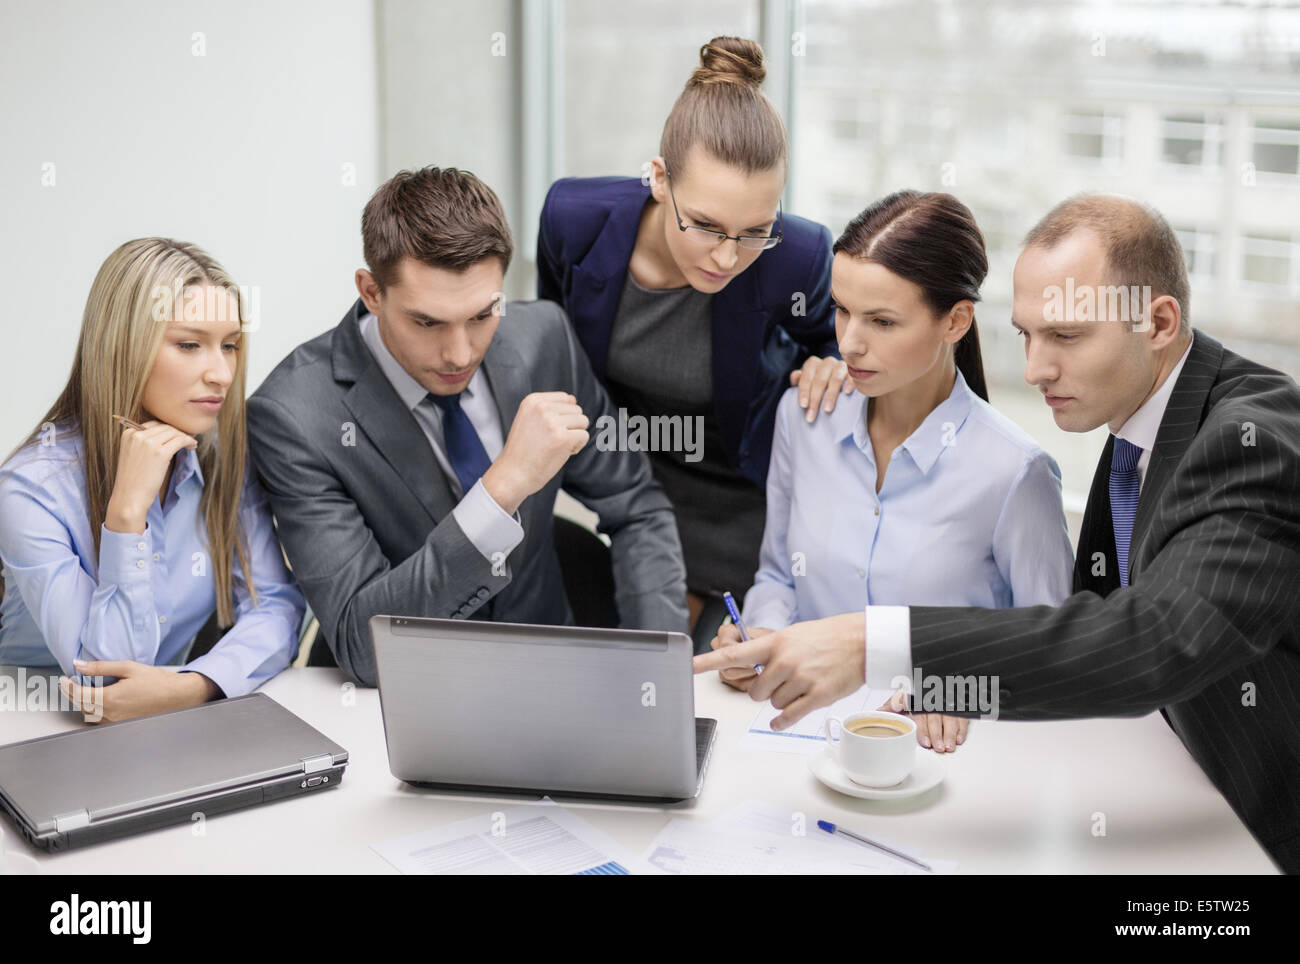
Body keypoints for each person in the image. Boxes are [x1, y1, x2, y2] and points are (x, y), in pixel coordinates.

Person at [696, 194, 1300, 874]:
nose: (1035, 370)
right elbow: (1087, 628)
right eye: (1026, 336)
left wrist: (881, 648)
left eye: (1066, 336)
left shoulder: (1247, 442)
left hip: (1260, 836)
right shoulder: (1137, 434)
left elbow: (1152, 639)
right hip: (1169, 801)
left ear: (1156, 322)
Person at [246, 167, 688, 688]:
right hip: (392, 701)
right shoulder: (294, 415)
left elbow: (637, 506)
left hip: (551, 683)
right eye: (427, 322)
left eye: (482, 315)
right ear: (371, 291)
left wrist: (661, 667)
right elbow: (362, 646)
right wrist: (502, 489)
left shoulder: (545, 338)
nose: (459, 354)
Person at [713, 191, 1074, 753]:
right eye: (841, 309)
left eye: (882, 321)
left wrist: (957, 688)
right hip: (799, 740)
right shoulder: (803, 418)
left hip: (942, 757)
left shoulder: (1015, 472)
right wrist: (762, 639)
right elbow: (781, 575)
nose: (849, 342)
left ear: (955, 321)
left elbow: (1058, 660)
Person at [537, 36, 850, 635]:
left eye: (755, 230)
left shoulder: (797, 255)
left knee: (725, 673)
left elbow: (835, 335)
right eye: (705, 225)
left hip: (744, 495)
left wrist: (831, 360)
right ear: (659, 178)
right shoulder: (572, 220)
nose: (728, 257)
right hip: (636, 480)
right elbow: (556, 335)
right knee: (630, 655)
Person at [0, 238, 305, 722]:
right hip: (32, 727)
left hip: (161, 723)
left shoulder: (222, 457)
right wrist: (126, 516)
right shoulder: (31, 488)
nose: (222, 374)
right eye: (189, 345)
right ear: (122, 347)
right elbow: (102, 683)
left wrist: (194, 685)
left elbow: (276, 608)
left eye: (229, 346)